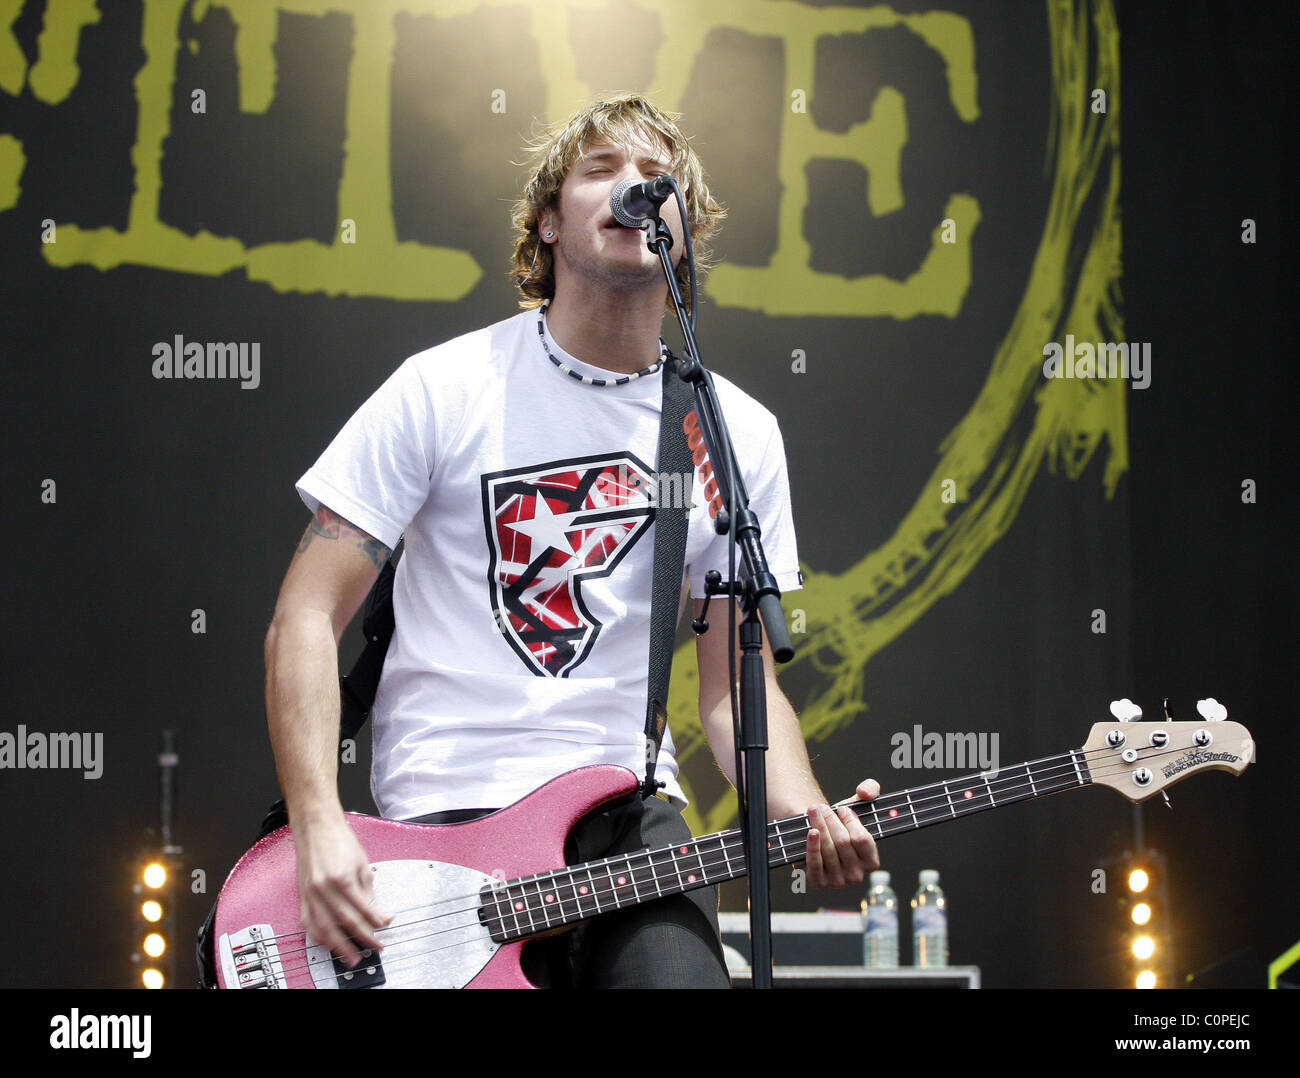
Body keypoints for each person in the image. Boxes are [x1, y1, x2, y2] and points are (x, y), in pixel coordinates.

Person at [264, 93, 881, 988]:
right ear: (548, 221)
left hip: (631, 816)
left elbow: (733, 691)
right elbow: (306, 618)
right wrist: (318, 823)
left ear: (682, 229)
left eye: (655, 178)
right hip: (447, 814)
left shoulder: (732, 433)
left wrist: (810, 812)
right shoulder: (443, 388)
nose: (634, 187)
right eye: (602, 170)